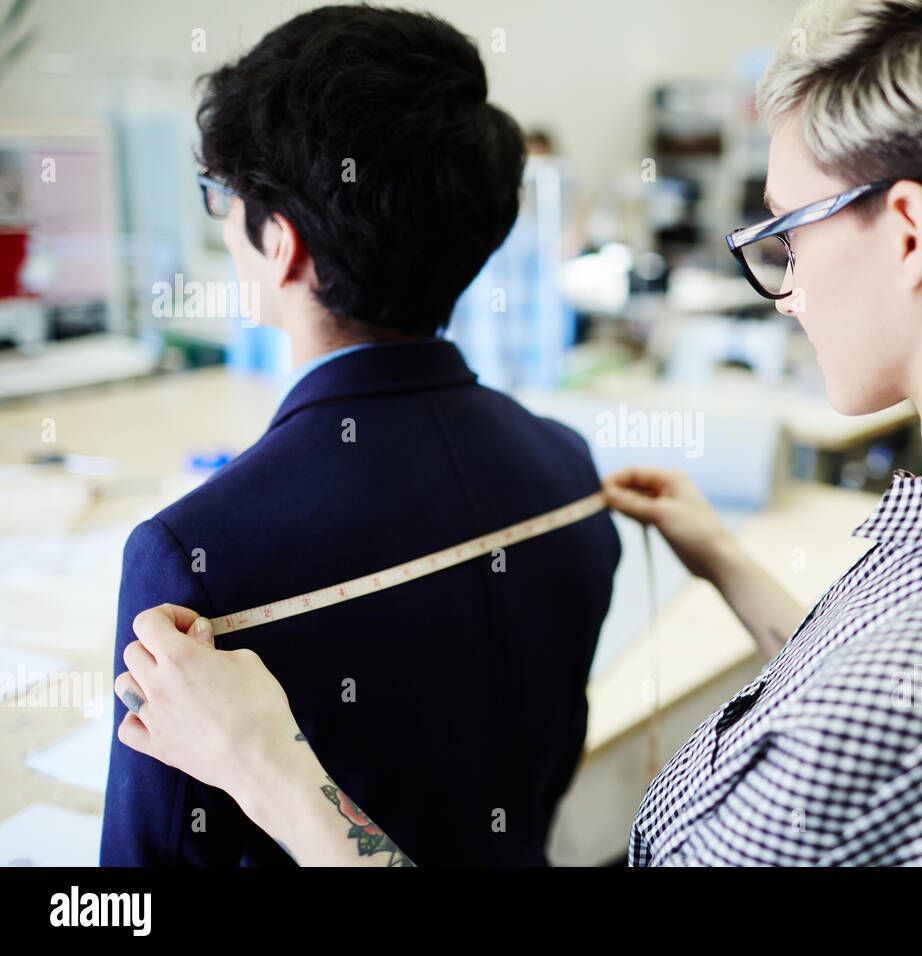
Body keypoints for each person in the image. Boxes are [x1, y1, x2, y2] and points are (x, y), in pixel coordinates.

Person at [115, 0, 922, 866]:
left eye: (783, 234)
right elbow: (864, 712)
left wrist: (274, 772)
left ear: (909, 231)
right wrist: (727, 559)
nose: (780, 287)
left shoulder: (921, 700)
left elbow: (883, 730)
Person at [100, 6, 620, 867]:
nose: (222, 222)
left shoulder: (192, 554)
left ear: (283, 245)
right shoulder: (566, 465)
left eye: (223, 199)